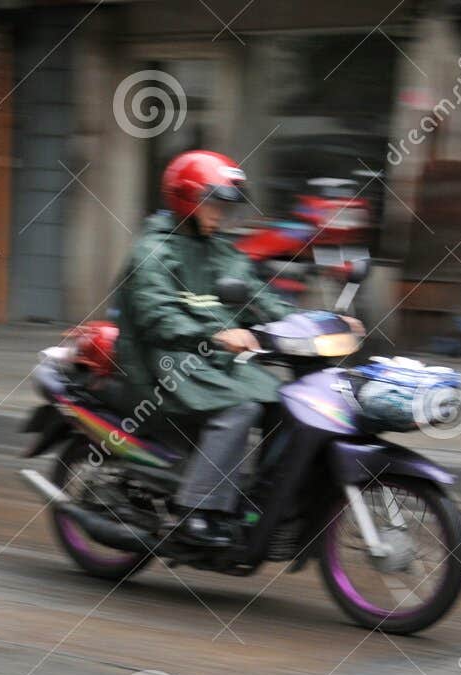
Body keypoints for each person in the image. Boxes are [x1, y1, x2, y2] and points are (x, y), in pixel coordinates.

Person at [113, 149, 361, 548]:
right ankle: (198, 511)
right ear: (186, 199)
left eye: (224, 204)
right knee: (239, 408)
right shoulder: (154, 251)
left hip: (211, 360)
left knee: (287, 402)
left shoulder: (220, 249)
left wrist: (324, 321)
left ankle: (263, 502)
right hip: (164, 362)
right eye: (212, 202)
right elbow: (157, 318)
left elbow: (262, 300)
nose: (220, 212)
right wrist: (215, 335)